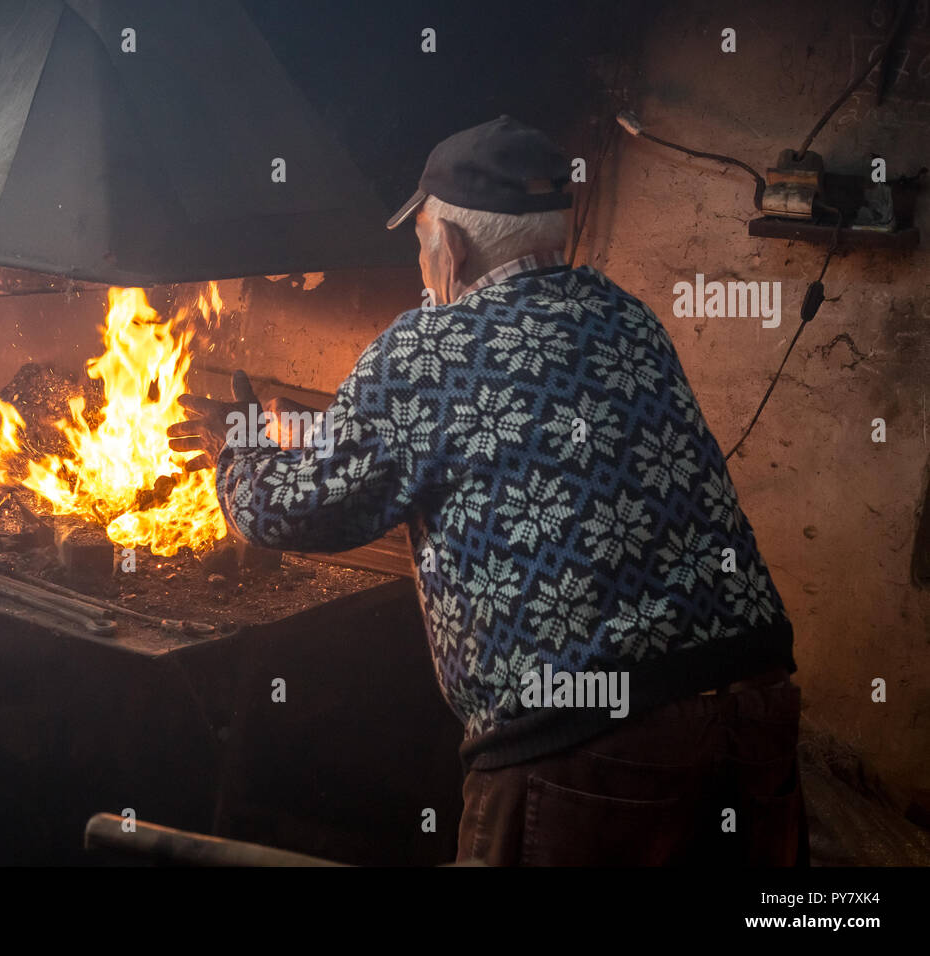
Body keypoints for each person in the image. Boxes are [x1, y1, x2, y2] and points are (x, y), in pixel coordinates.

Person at [168, 116, 805, 866]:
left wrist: (237, 443)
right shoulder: (623, 316)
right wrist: (320, 434)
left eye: (422, 235)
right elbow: (510, 434)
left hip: (586, 747)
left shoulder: (428, 347)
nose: (419, 254)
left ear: (453, 245)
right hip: (753, 714)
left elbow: (279, 511)